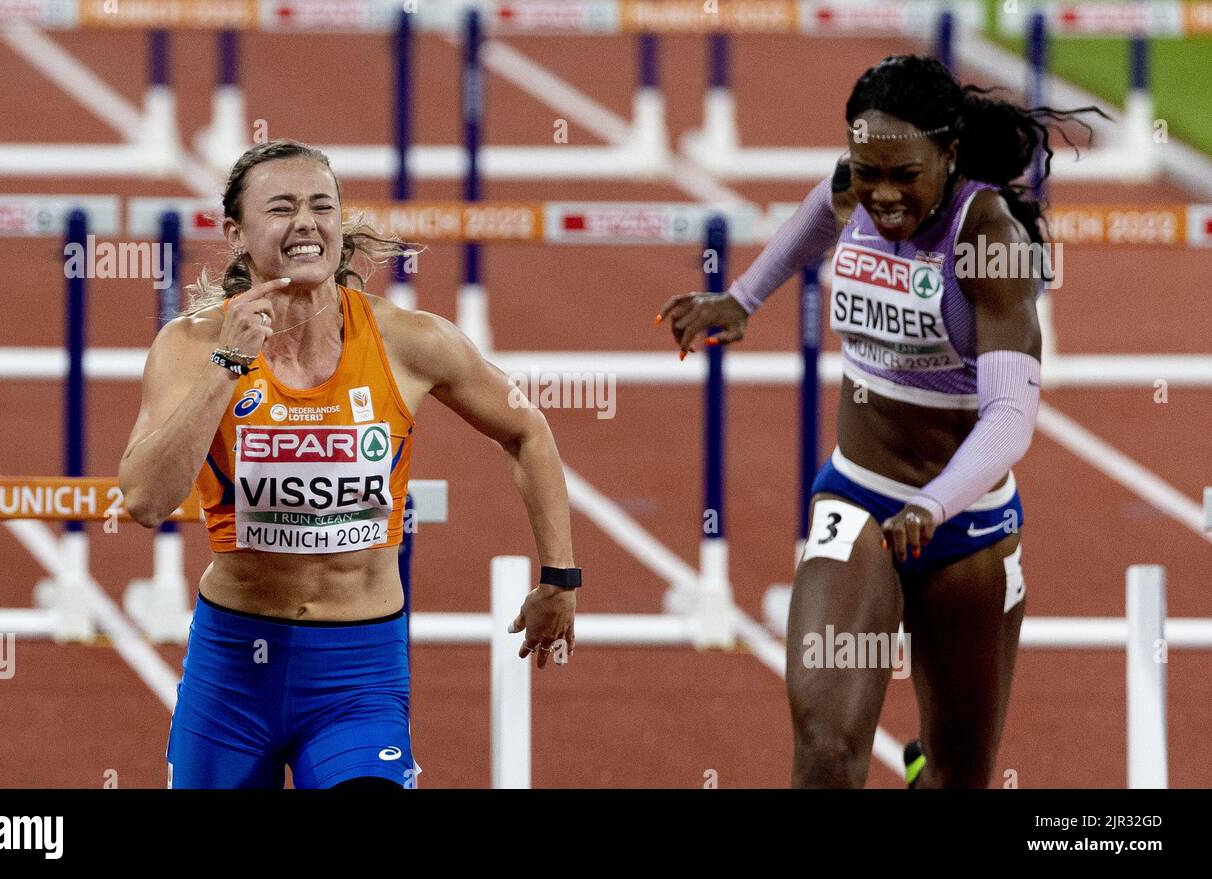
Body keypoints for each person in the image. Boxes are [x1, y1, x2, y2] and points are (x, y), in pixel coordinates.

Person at [658, 56, 1100, 788]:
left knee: (960, 777)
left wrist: (934, 503)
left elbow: (1012, 417)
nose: (883, 196)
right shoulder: (853, 187)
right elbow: (812, 218)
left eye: (904, 175)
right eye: (868, 172)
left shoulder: (988, 243)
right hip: (857, 501)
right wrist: (740, 299)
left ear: (949, 155)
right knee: (827, 751)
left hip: (967, 527)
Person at [119, 139, 579, 789]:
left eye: (321, 205)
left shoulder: (410, 341)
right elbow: (143, 499)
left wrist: (560, 575)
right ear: (237, 233)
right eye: (281, 207)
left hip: (356, 674)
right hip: (232, 671)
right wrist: (228, 366)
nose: (305, 221)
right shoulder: (191, 346)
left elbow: (528, 430)